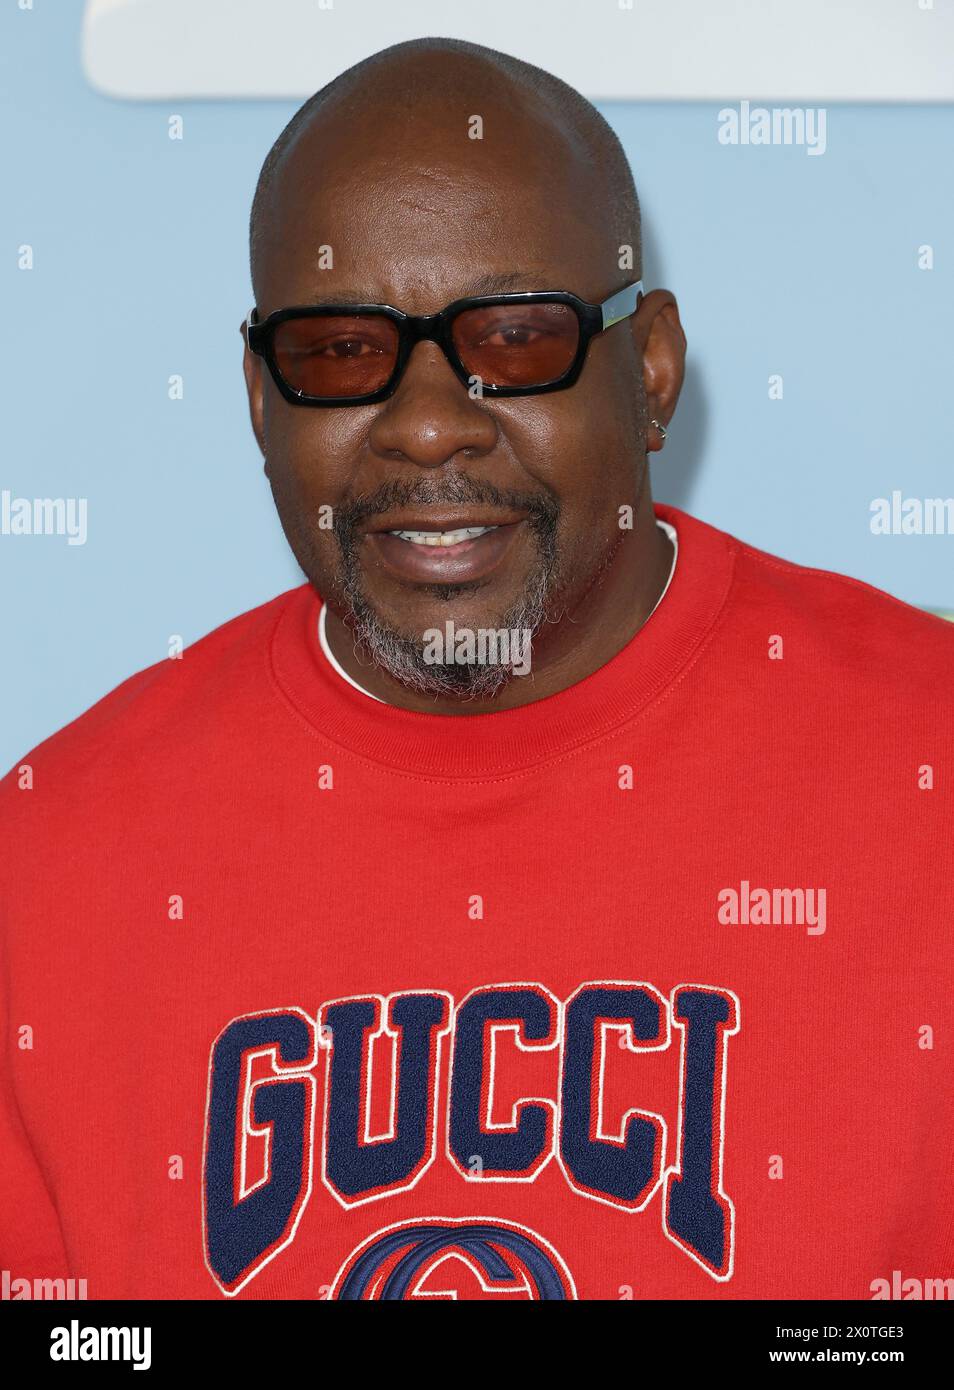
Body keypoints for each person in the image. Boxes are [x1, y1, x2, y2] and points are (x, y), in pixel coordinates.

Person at [1, 37, 951, 1302]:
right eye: (342, 350)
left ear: (651, 370)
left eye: (512, 336)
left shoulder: (925, 771)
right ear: (261, 402)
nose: (428, 423)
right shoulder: (51, 861)